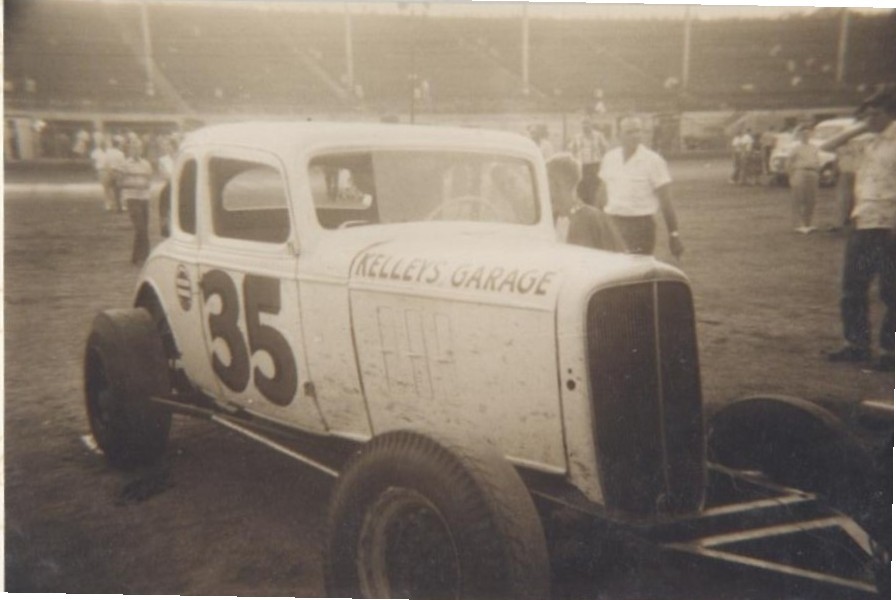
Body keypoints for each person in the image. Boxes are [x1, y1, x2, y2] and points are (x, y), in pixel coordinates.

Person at [826, 88, 896, 372]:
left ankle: (890, 350)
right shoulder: (869, 140)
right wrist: (861, 126)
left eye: (874, 112)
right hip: (864, 221)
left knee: (892, 291)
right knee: (853, 287)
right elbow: (827, 146)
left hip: (889, 223)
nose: (868, 118)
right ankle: (856, 344)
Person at [598, 116, 683, 258]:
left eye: (638, 131)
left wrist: (674, 234)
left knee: (636, 272)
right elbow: (601, 194)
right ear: (618, 135)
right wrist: (599, 224)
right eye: (629, 132)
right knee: (612, 270)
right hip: (613, 223)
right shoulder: (610, 158)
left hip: (641, 227)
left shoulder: (653, 160)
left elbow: (666, 202)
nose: (636, 135)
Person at [547, 153, 618, 250]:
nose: (545, 186)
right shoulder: (548, 218)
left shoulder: (594, 219)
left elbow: (616, 257)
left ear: (562, 182)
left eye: (548, 180)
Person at [117, 139, 154, 265]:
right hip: (132, 198)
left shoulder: (146, 164)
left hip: (144, 197)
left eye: (138, 148)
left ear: (142, 150)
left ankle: (137, 257)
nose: (136, 151)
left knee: (144, 227)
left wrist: (144, 185)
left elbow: (149, 181)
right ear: (129, 150)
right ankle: (144, 256)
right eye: (133, 148)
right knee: (140, 227)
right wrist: (136, 184)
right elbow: (119, 183)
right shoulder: (125, 165)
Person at [567, 118, 609, 206]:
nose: (585, 127)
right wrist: (575, 160)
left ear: (591, 125)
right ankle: (583, 206)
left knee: (594, 186)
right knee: (581, 186)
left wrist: (602, 160)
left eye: (587, 124)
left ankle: (594, 206)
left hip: (594, 165)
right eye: (583, 125)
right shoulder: (577, 137)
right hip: (581, 165)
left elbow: (605, 148)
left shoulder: (598, 136)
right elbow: (572, 150)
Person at [787, 126, 820, 233]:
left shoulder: (814, 147)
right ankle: (799, 225)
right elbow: (789, 163)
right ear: (800, 136)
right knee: (799, 198)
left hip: (812, 173)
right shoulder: (796, 148)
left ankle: (808, 224)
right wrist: (791, 176)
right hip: (800, 172)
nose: (805, 137)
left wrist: (817, 171)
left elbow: (817, 160)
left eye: (807, 134)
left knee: (811, 200)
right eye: (803, 135)